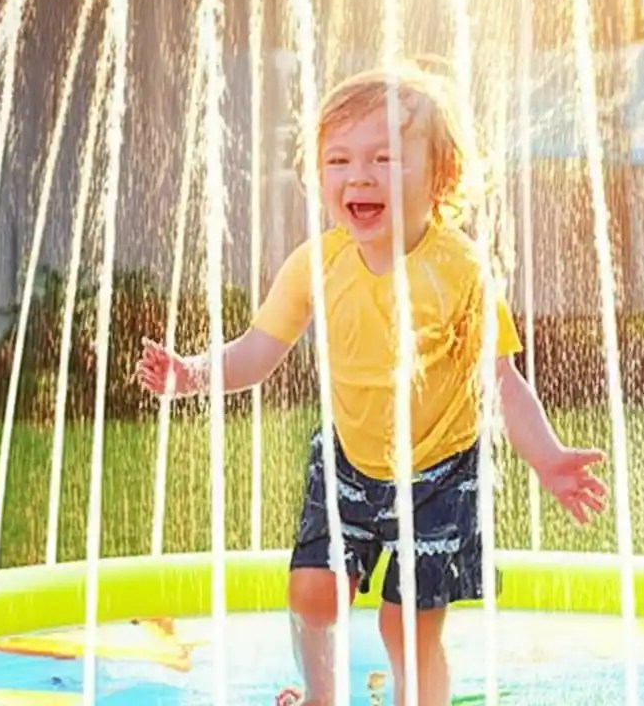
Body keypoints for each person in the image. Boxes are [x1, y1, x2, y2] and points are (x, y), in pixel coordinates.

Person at [136, 61, 607, 706]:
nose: (358, 175)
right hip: (349, 461)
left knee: (406, 622)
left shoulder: (461, 270)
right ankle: (322, 696)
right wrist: (191, 374)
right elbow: (256, 351)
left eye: (385, 158)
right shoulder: (318, 263)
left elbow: (499, 378)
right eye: (338, 160)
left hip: (442, 472)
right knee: (312, 588)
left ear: (439, 177)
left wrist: (547, 457)